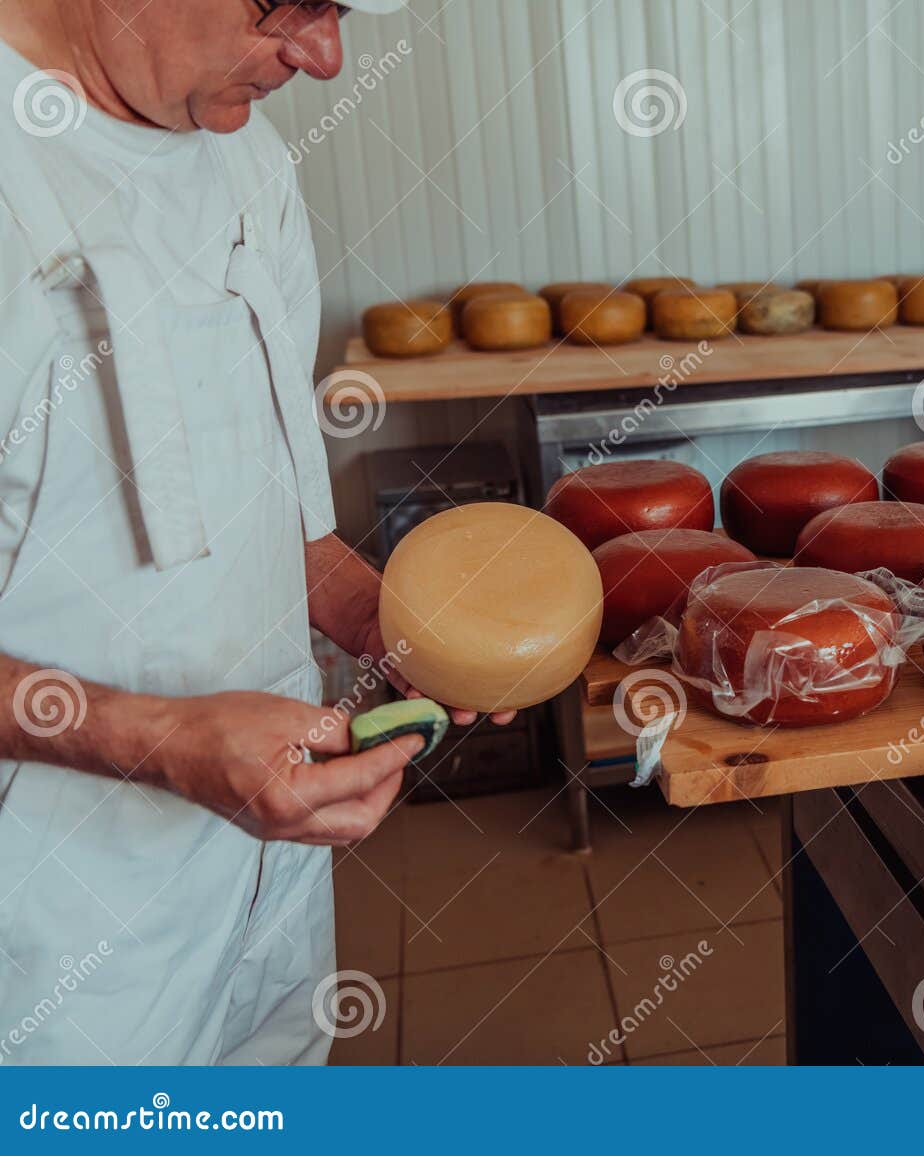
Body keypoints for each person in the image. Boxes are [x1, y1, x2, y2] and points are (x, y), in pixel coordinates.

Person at [0, 0, 500, 1065]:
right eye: (292, 5)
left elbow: (277, 518)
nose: (325, 57)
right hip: (52, 931)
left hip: (264, 879)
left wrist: (377, 613)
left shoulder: (248, 164)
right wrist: (161, 741)